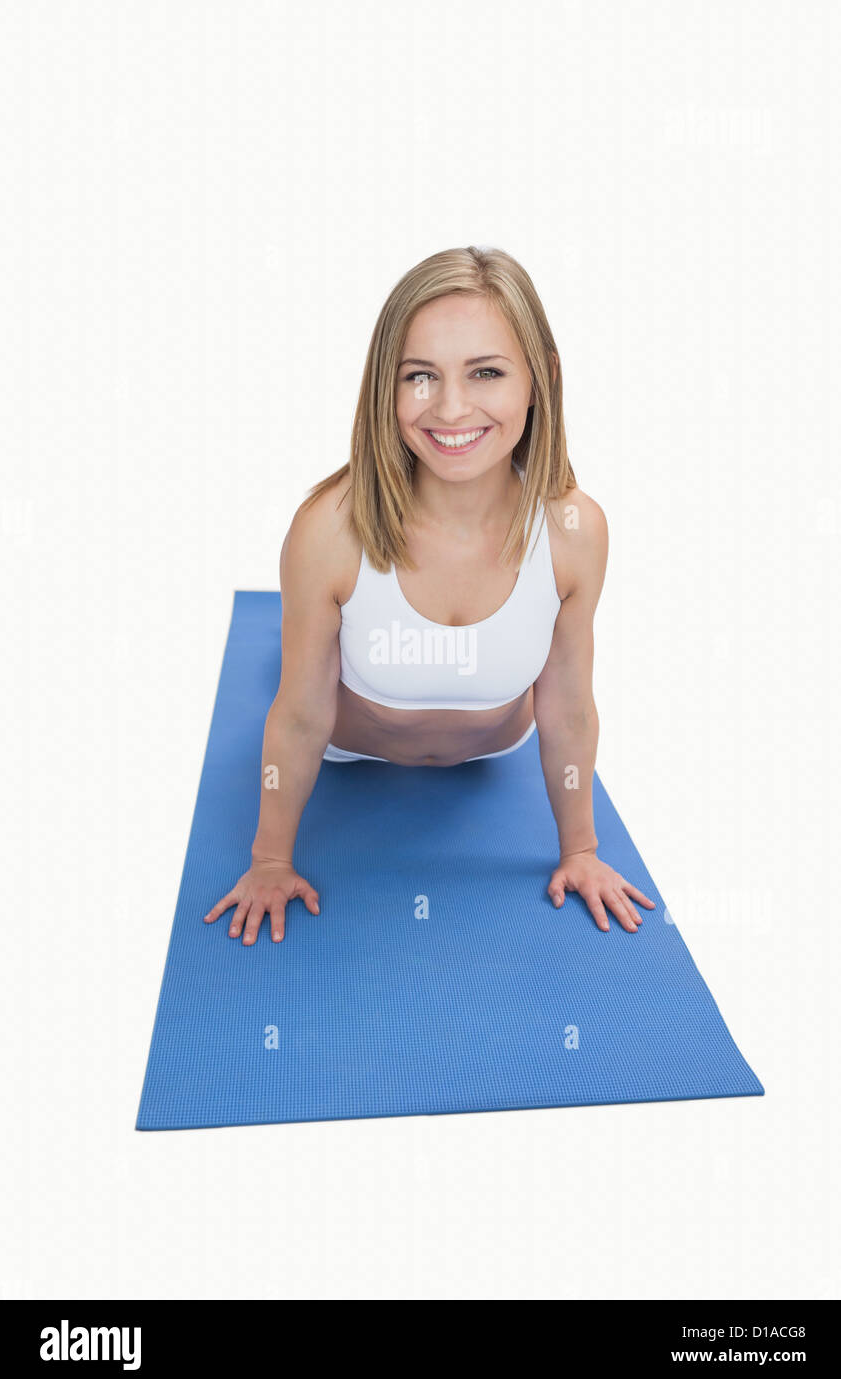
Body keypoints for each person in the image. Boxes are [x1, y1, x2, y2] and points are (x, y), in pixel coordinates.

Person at [205, 246, 654, 944]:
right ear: (386, 386)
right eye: (421, 376)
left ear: (541, 379)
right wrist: (269, 860)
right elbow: (298, 717)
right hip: (351, 750)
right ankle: (299, 623)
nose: (451, 407)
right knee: (288, 661)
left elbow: (566, 702)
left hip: (489, 752)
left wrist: (582, 851)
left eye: (487, 372)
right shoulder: (328, 531)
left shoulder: (574, 531)